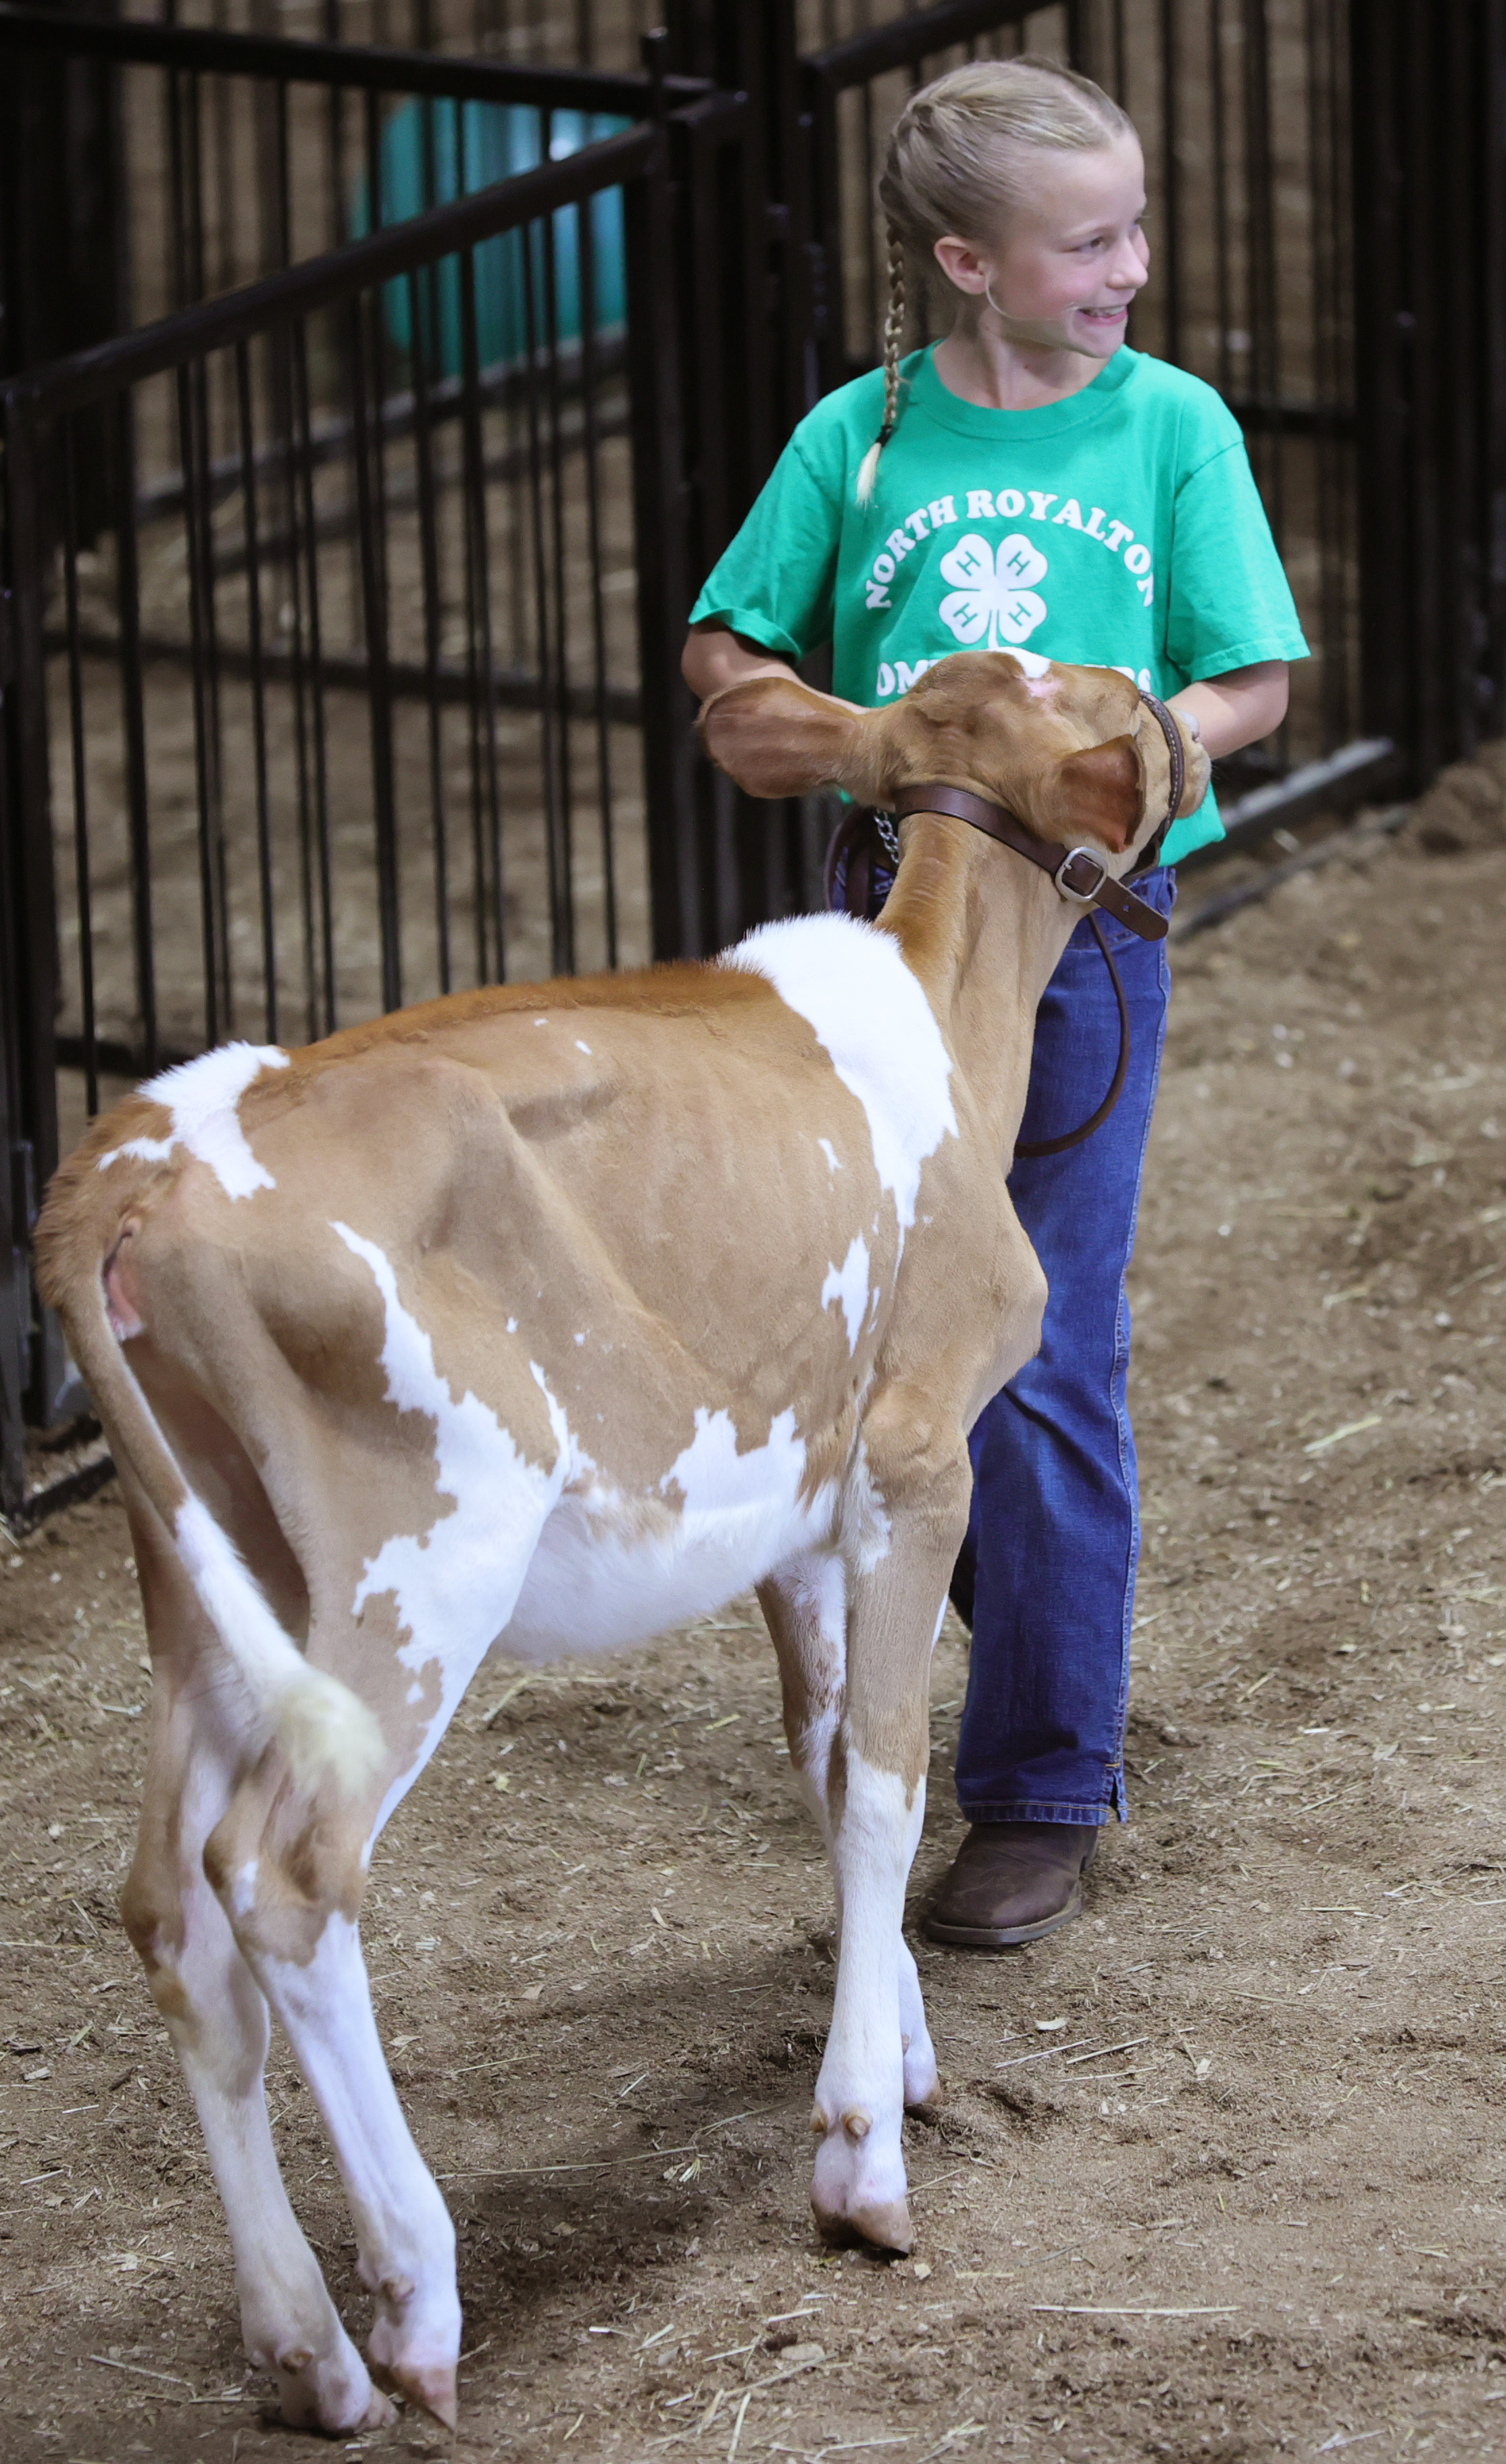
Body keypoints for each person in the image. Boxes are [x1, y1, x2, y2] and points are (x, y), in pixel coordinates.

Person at [681, 57, 1306, 1948]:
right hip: (892, 921)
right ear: (966, 261)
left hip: (1088, 930)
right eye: (1089, 241)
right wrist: (850, 738)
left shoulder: (1172, 425)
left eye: (1134, 227)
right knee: (888, 1320)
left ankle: (1040, 1781)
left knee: (1043, 1343)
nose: (1132, 268)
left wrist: (1138, 746)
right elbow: (727, 645)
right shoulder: (858, 443)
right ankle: (1040, 1624)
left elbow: (1255, 679)